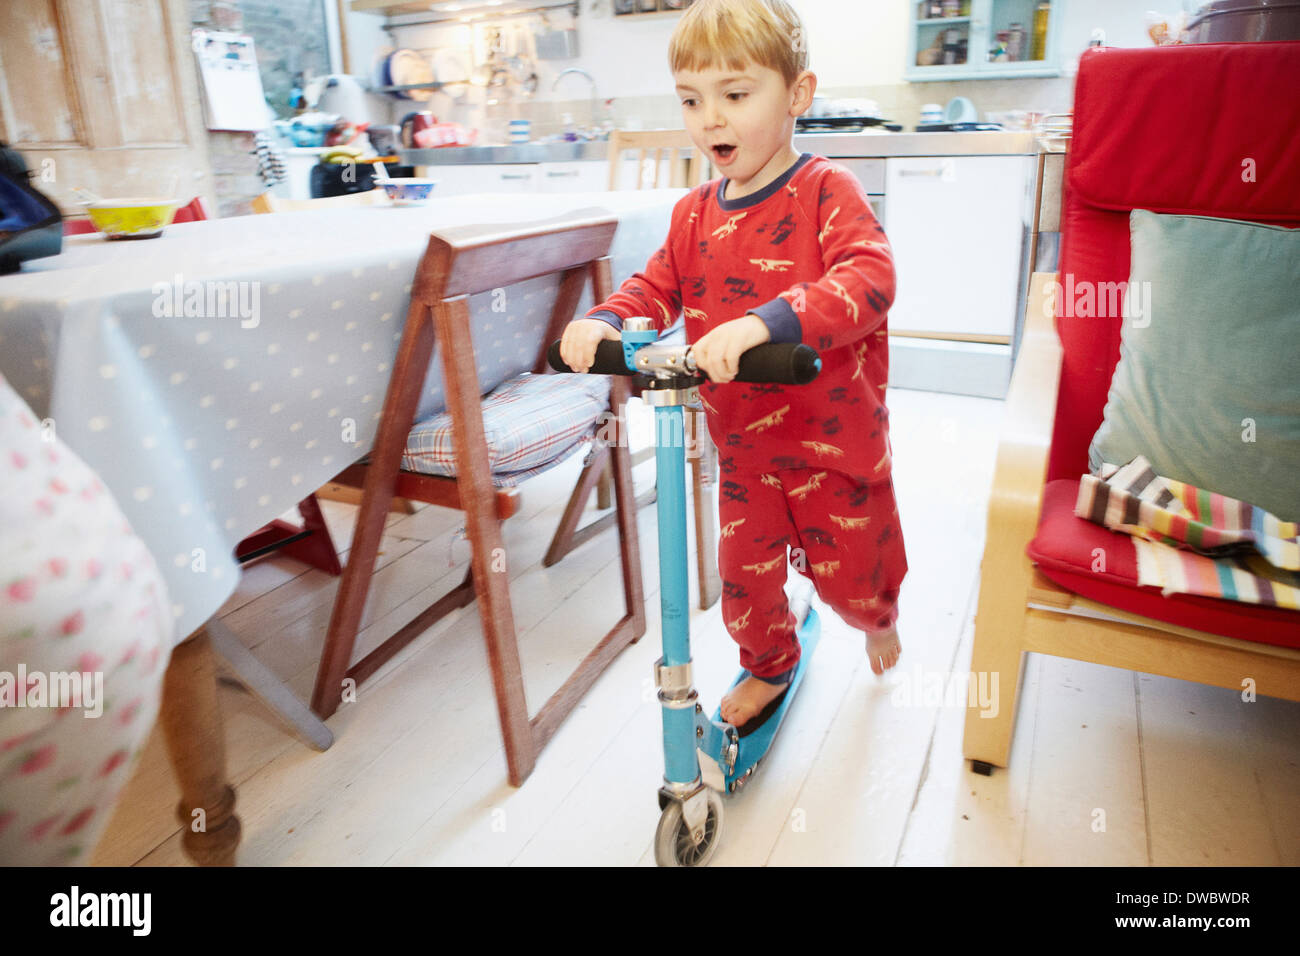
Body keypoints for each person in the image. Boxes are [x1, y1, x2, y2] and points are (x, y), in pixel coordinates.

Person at [559, 0, 907, 729]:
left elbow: (871, 279)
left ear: (797, 96)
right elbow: (655, 286)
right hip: (743, 449)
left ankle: (876, 616)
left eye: (736, 95)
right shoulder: (692, 214)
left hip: (833, 444)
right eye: (692, 100)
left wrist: (765, 321)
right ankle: (768, 664)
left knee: (852, 576)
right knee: (744, 575)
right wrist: (608, 318)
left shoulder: (825, 191)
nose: (710, 119)